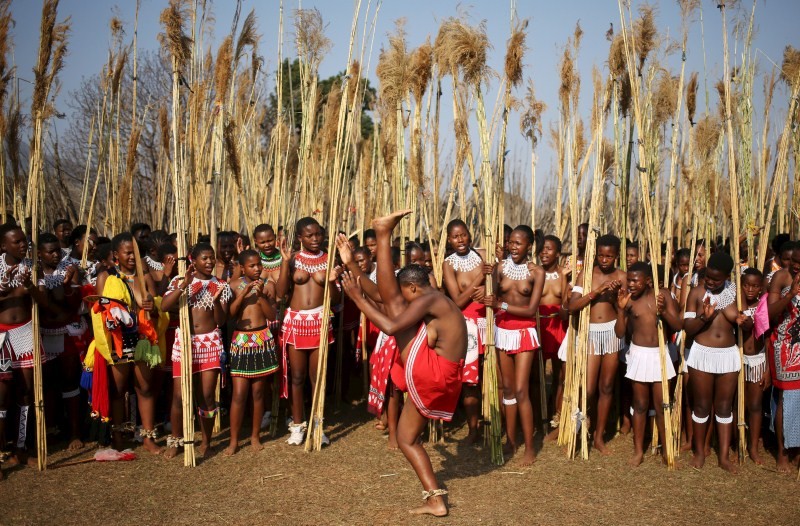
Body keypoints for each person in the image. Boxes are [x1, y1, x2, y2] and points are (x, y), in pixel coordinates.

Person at [341, 209, 466, 517]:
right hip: (444, 377)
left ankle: (383, 234)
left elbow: (391, 325)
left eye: (403, 291)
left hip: (433, 373)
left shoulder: (430, 299)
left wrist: (358, 301)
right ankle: (435, 499)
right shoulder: (433, 300)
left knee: (394, 309)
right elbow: (383, 295)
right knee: (406, 439)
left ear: (412, 287)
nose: (400, 296)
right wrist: (351, 268)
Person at [89, 232, 163, 454]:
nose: (132, 257)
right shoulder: (106, 276)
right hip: (118, 341)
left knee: (145, 388)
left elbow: (158, 310)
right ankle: (118, 435)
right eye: (127, 252)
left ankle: (148, 437)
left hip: (143, 338)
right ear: (115, 255)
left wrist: (154, 307)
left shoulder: (145, 277)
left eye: (136, 253)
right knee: (119, 390)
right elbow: (97, 309)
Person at [161, 242, 231, 459]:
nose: (209, 262)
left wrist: (217, 301)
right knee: (180, 395)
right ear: (193, 260)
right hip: (185, 342)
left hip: (209, 342)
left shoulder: (221, 284)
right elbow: (164, 306)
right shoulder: (181, 280)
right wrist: (184, 285)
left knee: (208, 396)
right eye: (204, 258)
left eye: (212, 258)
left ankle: (206, 442)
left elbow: (221, 321)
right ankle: (176, 440)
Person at [276, 217, 340, 446]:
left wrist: (332, 281)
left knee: (317, 377)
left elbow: (337, 298)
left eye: (318, 235)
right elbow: (281, 294)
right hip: (296, 322)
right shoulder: (292, 260)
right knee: (297, 377)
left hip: (320, 320)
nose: (315, 239)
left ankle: (317, 424)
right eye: (309, 236)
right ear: (300, 238)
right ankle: (297, 425)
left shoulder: (329, 259)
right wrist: (284, 264)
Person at [483, 225, 544, 465]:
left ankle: (530, 448)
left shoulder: (536, 272)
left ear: (529, 246)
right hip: (502, 331)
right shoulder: (500, 268)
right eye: (511, 243)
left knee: (521, 390)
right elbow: (492, 294)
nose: (513, 247)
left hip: (524, 331)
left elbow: (531, 309)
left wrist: (502, 306)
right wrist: (488, 277)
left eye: (519, 243)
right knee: (507, 389)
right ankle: (510, 441)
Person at [615, 262, 682, 466]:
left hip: (659, 355)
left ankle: (666, 450)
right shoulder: (628, 300)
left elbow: (678, 325)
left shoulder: (663, 295)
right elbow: (619, 333)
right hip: (639, 355)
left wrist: (664, 311)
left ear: (648, 281)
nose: (631, 284)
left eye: (636, 280)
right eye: (630, 280)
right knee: (641, 405)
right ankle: (638, 452)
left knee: (662, 405)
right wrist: (620, 309)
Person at [567, 234, 626, 455]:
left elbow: (624, 309)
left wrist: (613, 297)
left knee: (607, 386)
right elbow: (573, 306)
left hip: (611, 333)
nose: (604, 260)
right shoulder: (586, 274)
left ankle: (599, 437)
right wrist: (598, 291)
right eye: (600, 255)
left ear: (616, 256)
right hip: (590, 333)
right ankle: (579, 426)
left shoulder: (622, 277)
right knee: (588, 388)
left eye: (609, 256)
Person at [683, 252, 740, 473]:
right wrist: (703, 318)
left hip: (728, 355)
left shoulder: (734, 293)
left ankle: (724, 457)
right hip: (701, 353)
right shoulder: (696, 293)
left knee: (725, 407)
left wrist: (744, 321)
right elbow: (686, 328)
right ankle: (699, 452)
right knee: (701, 405)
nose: (710, 281)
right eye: (708, 276)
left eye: (716, 279)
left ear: (727, 277)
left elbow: (741, 321)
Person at [0, 223, 51, 465]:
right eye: (17, 242)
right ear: (3, 245)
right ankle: (2, 450)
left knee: (26, 391)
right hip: (1, 335)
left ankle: (22, 446)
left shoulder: (33, 267)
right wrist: (5, 286)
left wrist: (30, 286)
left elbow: (43, 301)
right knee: (2, 396)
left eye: (24, 241)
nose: (23, 245)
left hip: (25, 331)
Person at [225, 250, 278, 455]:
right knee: (239, 394)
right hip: (241, 340)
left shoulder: (267, 285)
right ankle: (234, 441)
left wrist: (261, 295)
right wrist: (244, 293)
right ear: (242, 267)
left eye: (259, 265)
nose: (257, 269)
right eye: (252, 266)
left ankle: (255, 436)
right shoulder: (233, 285)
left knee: (258, 393)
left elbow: (271, 314)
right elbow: (230, 315)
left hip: (262, 339)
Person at [37, 233, 85, 450]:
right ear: (39, 254)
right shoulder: (33, 273)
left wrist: (66, 286)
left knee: (69, 381)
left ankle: (74, 433)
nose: (56, 254)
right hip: (43, 334)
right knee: (47, 384)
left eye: (58, 250)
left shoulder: (70, 270)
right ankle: (49, 429)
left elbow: (73, 307)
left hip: (65, 334)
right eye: (50, 251)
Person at [441, 219, 486, 445]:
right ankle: (473, 429)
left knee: (491, 376)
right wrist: (480, 279)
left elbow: (497, 284)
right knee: (470, 381)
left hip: (488, 321)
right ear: (449, 240)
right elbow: (457, 300)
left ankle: (495, 424)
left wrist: (488, 287)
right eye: (455, 237)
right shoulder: (448, 264)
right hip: (467, 325)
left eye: (464, 235)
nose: (460, 240)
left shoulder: (482, 255)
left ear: (470, 235)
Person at [766, 247, 800, 473]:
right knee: (787, 399)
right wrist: (790, 294)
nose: (795, 266)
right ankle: (783, 452)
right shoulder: (781, 277)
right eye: (794, 261)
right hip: (785, 345)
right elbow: (768, 313)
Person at [537, 235, 569, 441]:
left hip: (559, 325)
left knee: (560, 375)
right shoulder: (534, 272)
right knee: (537, 374)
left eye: (549, 249)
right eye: (541, 249)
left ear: (558, 253)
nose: (544, 252)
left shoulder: (564, 274)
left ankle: (558, 418)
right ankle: (539, 418)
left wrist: (566, 277)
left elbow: (567, 304)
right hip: (539, 325)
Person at [738, 268, 768, 465]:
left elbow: (769, 337)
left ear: (761, 288)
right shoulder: (736, 306)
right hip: (738, 358)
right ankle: (737, 444)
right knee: (738, 404)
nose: (750, 289)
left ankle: (753, 447)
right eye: (746, 285)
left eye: (755, 286)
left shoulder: (763, 306)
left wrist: (767, 369)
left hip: (757, 359)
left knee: (755, 405)